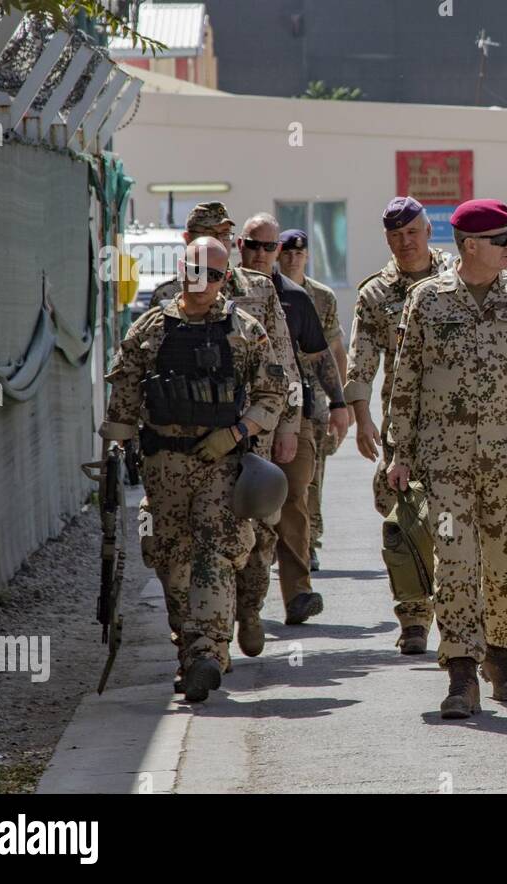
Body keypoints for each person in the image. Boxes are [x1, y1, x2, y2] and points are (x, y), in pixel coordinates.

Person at [386, 198, 507, 719]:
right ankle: (461, 672)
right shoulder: (427, 301)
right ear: (470, 246)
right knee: (456, 564)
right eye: (500, 242)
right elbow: (406, 382)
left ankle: (499, 653)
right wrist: (399, 453)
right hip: (444, 464)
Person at [100, 237, 283, 701]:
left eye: (214, 274)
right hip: (164, 463)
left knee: (215, 551)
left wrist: (239, 433)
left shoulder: (244, 330)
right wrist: (115, 448)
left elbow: (271, 395)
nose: (201, 280)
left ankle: (208, 651)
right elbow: (124, 392)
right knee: (170, 557)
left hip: (220, 462)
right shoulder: (150, 329)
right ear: (182, 268)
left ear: (226, 279)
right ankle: (188, 650)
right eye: (194, 269)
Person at [148, 202, 297, 671]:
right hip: (178, 448)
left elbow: (283, 365)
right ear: (186, 242)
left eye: (226, 235)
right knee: (188, 545)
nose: (223, 242)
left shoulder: (258, 292)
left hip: (247, 436)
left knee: (257, 533)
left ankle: (247, 610)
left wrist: (284, 427)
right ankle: (207, 642)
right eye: (209, 234)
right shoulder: (164, 300)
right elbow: (144, 374)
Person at [345, 196, 454, 655]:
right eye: (396, 236)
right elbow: (360, 361)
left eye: (412, 232)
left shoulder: (458, 277)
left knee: (452, 522)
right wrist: (362, 417)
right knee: (400, 523)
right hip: (403, 426)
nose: (405, 242)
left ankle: (461, 613)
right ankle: (413, 616)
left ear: (429, 232)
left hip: (461, 423)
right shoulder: (376, 295)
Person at [239, 214, 348, 628]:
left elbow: (320, 355)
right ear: (240, 246)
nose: (262, 255)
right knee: (241, 508)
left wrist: (340, 404)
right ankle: (242, 602)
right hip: (240, 421)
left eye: (271, 248)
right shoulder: (225, 293)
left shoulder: (295, 297)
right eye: (255, 245)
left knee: (292, 501)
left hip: (292, 414)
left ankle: (297, 594)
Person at [277, 228, 350, 573]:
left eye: (299, 253)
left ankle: (310, 541)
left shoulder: (321, 297)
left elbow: (335, 350)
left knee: (311, 473)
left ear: (307, 256)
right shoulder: (266, 291)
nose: (293, 258)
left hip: (313, 393)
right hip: (275, 391)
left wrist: (342, 402)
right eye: (287, 252)